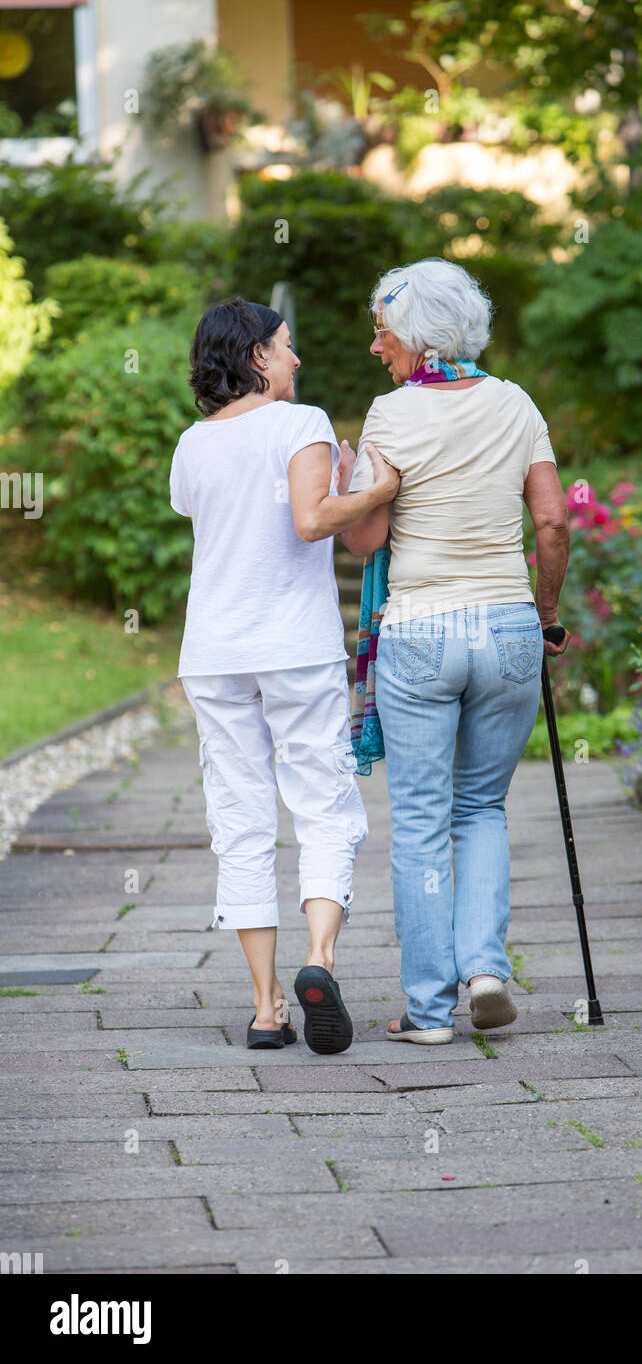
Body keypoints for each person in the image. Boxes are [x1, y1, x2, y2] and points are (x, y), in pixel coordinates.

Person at [339, 258, 570, 1043]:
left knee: (422, 821)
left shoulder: (390, 416)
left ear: (420, 337)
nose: (377, 347)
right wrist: (545, 615)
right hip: (508, 628)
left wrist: (349, 484)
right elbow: (552, 525)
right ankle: (484, 971)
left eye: (383, 330)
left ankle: (431, 1012)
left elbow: (366, 535)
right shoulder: (517, 404)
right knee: (481, 809)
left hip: (421, 633)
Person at [169, 295, 399, 1054]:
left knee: (239, 820)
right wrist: (372, 490)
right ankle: (319, 960)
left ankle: (267, 1008)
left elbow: (218, 522)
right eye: (286, 346)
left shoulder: (191, 444)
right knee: (323, 802)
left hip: (213, 652)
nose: (296, 359)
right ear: (256, 355)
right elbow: (308, 522)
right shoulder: (301, 423)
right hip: (294, 647)